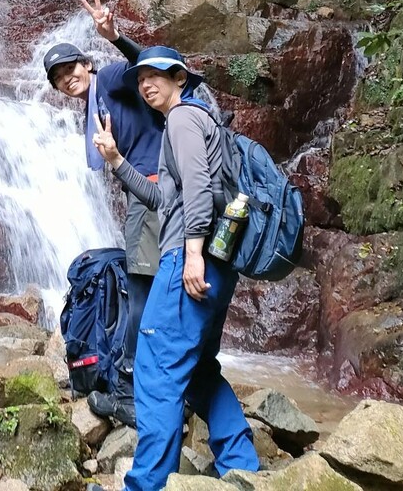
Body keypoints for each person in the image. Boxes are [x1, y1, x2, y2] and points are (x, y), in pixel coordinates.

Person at [121, 46, 259, 490]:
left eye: (156, 74)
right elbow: (165, 201)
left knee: (156, 369)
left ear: (180, 78)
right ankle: (241, 466)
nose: (146, 83)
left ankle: (147, 485)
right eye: (140, 77)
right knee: (197, 370)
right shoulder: (196, 121)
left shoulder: (182, 118)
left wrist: (192, 253)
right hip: (217, 262)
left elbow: (198, 188)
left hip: (189, 258)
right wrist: (117, 162)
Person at [42, 0, 159, 428]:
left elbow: (149, 70)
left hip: (151, 192)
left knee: (139, 291)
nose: (66, 78)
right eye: (58, 77)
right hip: (148, 191)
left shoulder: (108, 79)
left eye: (70, 68)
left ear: (87, 64)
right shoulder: (93, 108)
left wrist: (114, 36)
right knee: (150, 288)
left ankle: (128, 390)